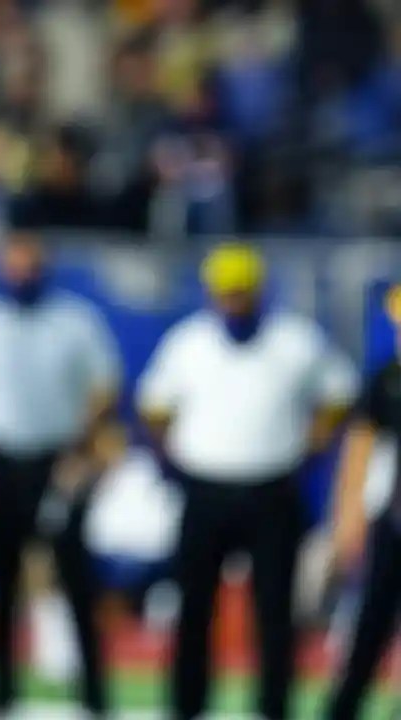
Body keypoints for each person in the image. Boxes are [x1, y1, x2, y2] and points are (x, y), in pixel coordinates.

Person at [137, 243, 358, 720]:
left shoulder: (296, 340)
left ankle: (273, 708)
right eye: (225, 293)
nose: (233, 302)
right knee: (194, 608)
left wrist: (314, 443)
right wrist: (171, 456)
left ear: (259, 291)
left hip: (271, 488)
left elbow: (338, 393)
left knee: (275, 611)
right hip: (205, 487)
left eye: (241, 292)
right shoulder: (189, 341)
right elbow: (154, 404)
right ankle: (186, 707)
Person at [0, 230, 119, 717]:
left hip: (59, 459)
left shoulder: (74, 320)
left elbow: (103, 385)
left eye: (31, 265)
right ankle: (1, 692)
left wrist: (84, 446)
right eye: (15, 265)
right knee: (2, 580)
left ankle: (95, 694)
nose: (23, 274)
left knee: (75, 579)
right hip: (3, 460)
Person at [325, 284, 401, 720]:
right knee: (373, 620)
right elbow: (361, 447)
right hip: (392, 520)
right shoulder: (387, 378)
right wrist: (348, 514)